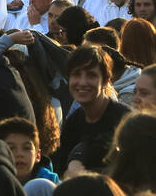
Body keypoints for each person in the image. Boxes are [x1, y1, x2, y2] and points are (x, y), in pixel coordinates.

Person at [52, 44, 130, 175]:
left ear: (105, 81)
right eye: (76, 75)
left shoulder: (124, 120)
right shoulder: (73, 123)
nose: (82, 82)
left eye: (91, 76)